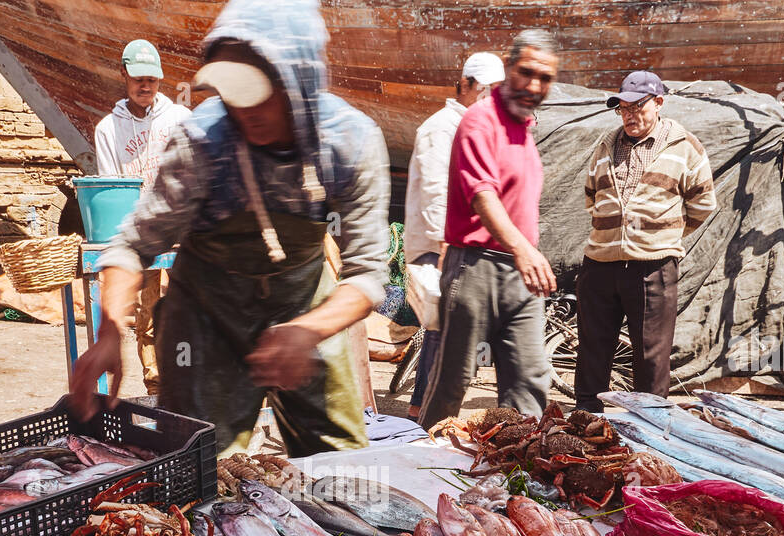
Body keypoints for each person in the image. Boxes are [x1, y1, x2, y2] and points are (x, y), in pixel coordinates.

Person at [68, 0, 389, 458]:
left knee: (338, 463)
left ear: (299, 82)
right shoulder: (201, 141)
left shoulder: (350, 142)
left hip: (305, 303)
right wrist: (109, 333)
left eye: (258, 89)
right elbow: (132, 245)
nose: (244, 107)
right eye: (232, 89)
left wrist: (307, 331)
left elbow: (367, 276)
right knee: (200, 465)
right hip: (205, 312)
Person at [416, 31, 558, 432]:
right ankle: (425, 470)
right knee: (452, 382)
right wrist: (523, 249)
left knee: (530, 380)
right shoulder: (481, 120)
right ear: (508, 70)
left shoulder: (524, 128)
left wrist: (524, 253)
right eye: (526, 73)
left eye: (544, 78)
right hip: (475, 268)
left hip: (521, 276)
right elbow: (482, 195)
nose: (533, 85)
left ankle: (519, 478)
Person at [574, 70, 716, 413]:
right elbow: (591, 197)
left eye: (638, 107)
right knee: (593, 347)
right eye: (622, 108)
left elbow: (703, 204)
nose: (629, 115)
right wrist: (614, 233)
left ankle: (648, 426)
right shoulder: (606, 145)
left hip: (653, 267)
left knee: (650, 353)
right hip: (600, 264)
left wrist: (662, 236)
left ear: (658, 103)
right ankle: (586, 420)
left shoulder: (684, 147)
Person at [402, 51, 505, 421]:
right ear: (463, 86)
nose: (487, 97)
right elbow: (434, 193)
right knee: (440, 328)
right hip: (441, 245)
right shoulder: (441, 127)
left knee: (447, 328)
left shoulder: (477, 126)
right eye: (482, 89)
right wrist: (445, 246)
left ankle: (426, 407)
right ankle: (422, 410)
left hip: (465, 244)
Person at [93, 40, 192, 391]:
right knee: (147, 316)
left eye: (152, 78)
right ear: (123, 74)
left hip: (183, 229)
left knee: (193, 311)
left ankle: (196, 387)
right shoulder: (108, 129)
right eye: (138, 78)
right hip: (142, 234)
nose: (145, 86)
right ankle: (156, 389)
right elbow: (111, 188)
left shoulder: (181, 119)